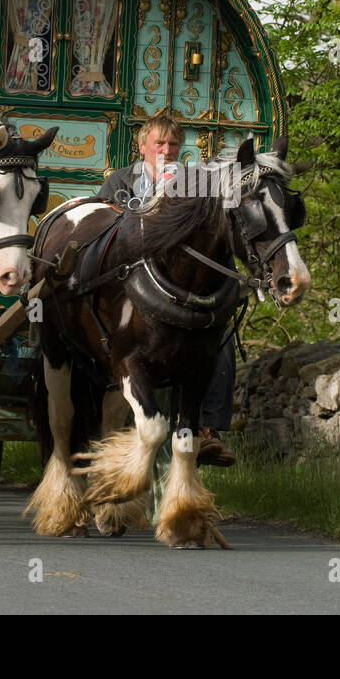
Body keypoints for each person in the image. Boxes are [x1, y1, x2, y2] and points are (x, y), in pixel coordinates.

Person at [96, 114, 237, 467]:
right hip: (125, 279)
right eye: (159, 143)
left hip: (172, 284)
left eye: (173, 144)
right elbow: (104, 228)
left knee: (219, 338)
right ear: (142, 146)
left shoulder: (192, 183)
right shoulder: (120, 181)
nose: (167, 150)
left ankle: (207, 428)